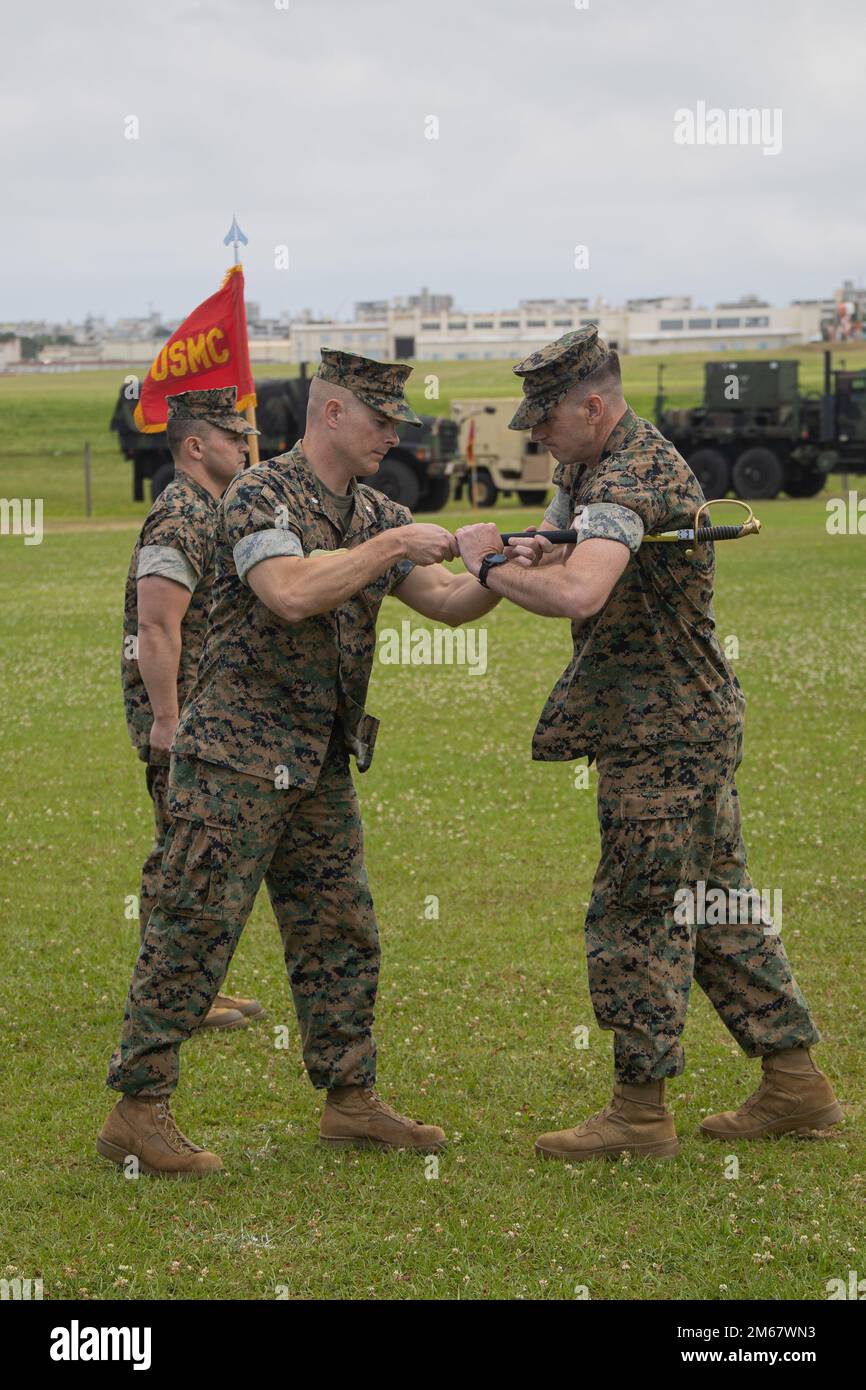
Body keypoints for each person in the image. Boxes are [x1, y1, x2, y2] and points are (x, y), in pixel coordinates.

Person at [98, 350, 500, 1176]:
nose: (393, 436)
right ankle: (137, 1111)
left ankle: (351, 1100)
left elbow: (450, 602)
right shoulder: (259, 494)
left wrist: (498, 568)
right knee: (192, 926)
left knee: (340, 929)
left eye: (398, 423)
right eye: (382, 420)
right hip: (235, 759)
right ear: (332, 414)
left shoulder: (372, 507)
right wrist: (392, 543)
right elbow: (287, 591)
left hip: (315, 761)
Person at [454, 326, 841, 1161]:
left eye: (546, 420)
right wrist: (531, 543)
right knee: (716, 907)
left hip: (664, 730)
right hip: (674, 719)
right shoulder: (585, 463)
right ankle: (796, 1084)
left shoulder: (637, 470)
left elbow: (581, 591)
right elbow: (564, 542)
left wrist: (489, 568)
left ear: (594, 405)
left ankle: (638, 1112)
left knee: (636, 907)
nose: (536, 434)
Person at [121, 387, 264, 1031]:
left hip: (203, 710)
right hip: (181, 715)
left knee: (195, 848)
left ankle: (193, 986)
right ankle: (173, 994)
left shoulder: (210, 508)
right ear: (196, 446)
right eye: (234, 438)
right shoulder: (180, 515)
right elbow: (157, 626)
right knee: (179, 850)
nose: (245, 446)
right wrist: (167, 719)